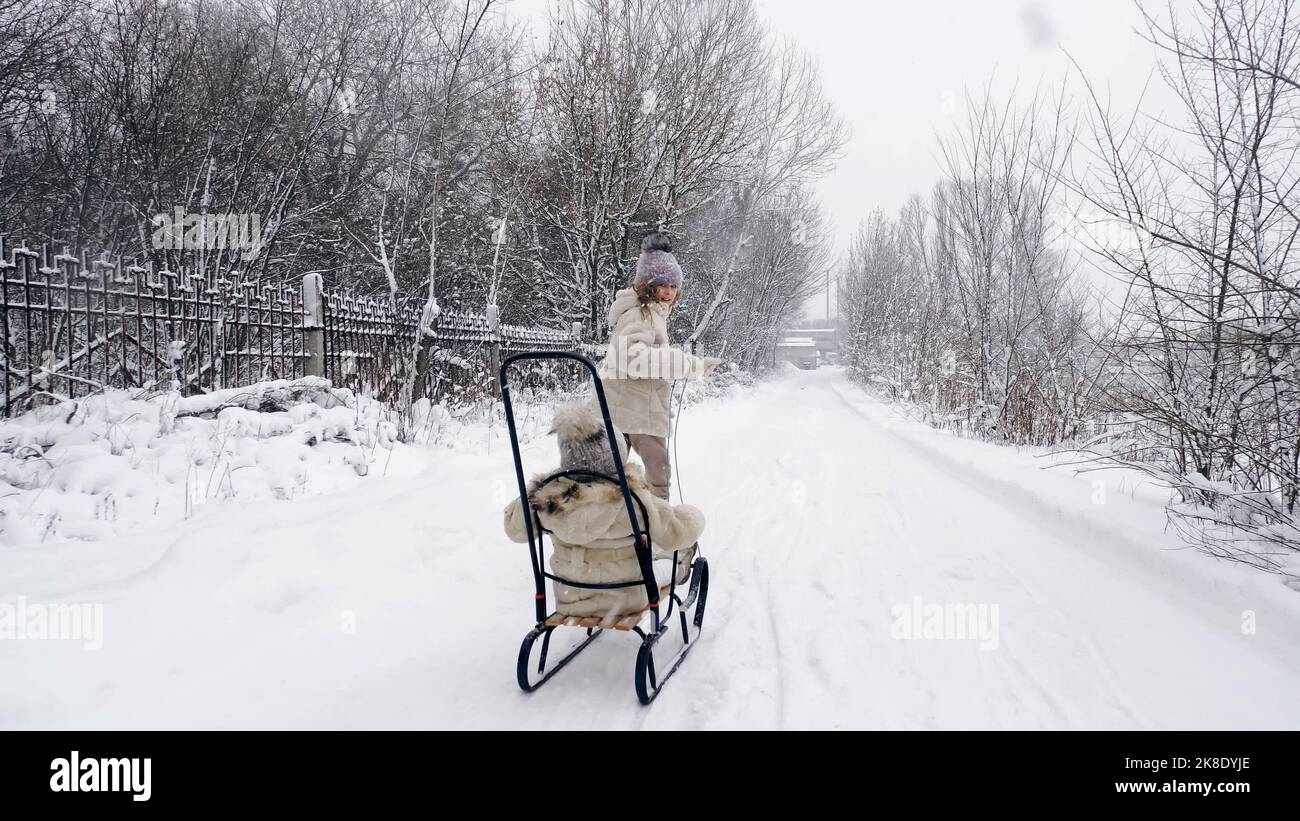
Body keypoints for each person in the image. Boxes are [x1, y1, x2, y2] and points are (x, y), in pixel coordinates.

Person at [502, 400, 704, 620]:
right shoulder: (634, 501)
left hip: (572, 598)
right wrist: (690, 515)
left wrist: (530, 493)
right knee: (672, 557)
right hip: (628, 597)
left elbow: (515, 531)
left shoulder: (546, 499)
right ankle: (681, 566)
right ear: (616, 457)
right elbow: (678, 534)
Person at [599, 232, 721, 499]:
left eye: (673, 286)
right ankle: (658, 518)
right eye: (662, 284)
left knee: (616, 476)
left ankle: (639, 517)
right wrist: (689, 365)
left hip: (634, 407)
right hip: (632, 409)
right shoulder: (639, 314)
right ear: (648, 286)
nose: (668, 291)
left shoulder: (654, 315)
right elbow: (633, 358)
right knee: (653, 475)